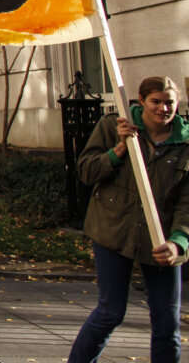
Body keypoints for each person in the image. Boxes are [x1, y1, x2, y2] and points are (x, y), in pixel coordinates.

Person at [69, 76, 189, 363]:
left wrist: (178, 243)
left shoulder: (184, 143)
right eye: (156, 102)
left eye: (169, 102)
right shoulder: (114, 126)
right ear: (141, 100)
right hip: (113, 229)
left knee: (167, 321)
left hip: (159, 238)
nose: (163, 108)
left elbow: (187, 202)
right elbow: (86, 171)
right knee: (111, 311)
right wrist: (119, 150)